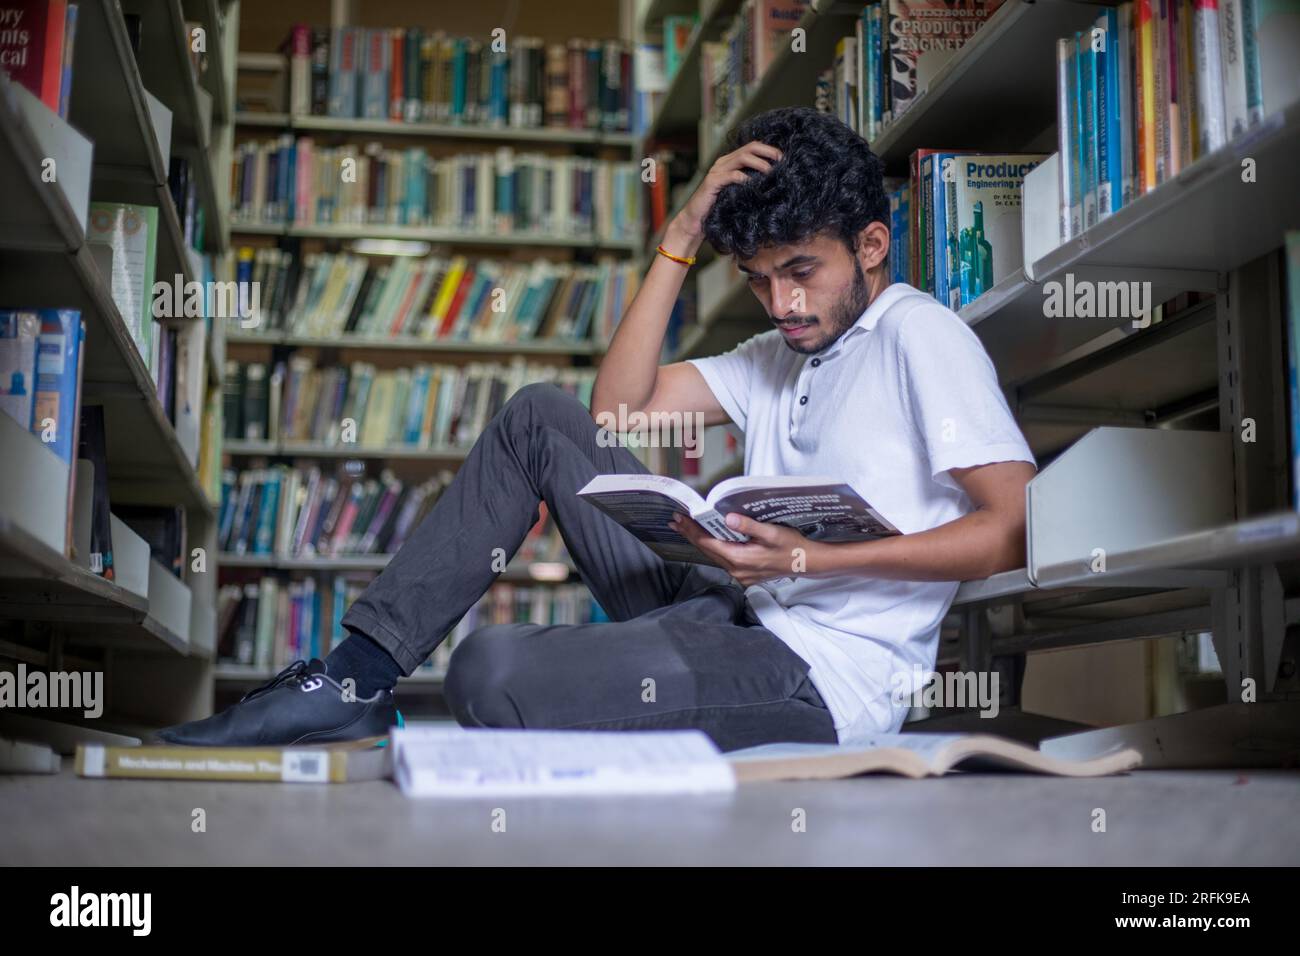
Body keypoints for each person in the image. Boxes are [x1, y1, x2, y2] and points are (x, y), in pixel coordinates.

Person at [159, 106, 1036, 751]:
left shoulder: (923, 336)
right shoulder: (780, 351)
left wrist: (811, 560)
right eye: (760, 279)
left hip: (821, 677)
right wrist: (683, 233)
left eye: (801, 271)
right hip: (726, 604)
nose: (783, 302)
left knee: (488, 673)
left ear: (873, 245)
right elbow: (618, 409)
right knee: (542, 413)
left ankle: (589, 677)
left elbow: (1009, 527)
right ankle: (351, 676)